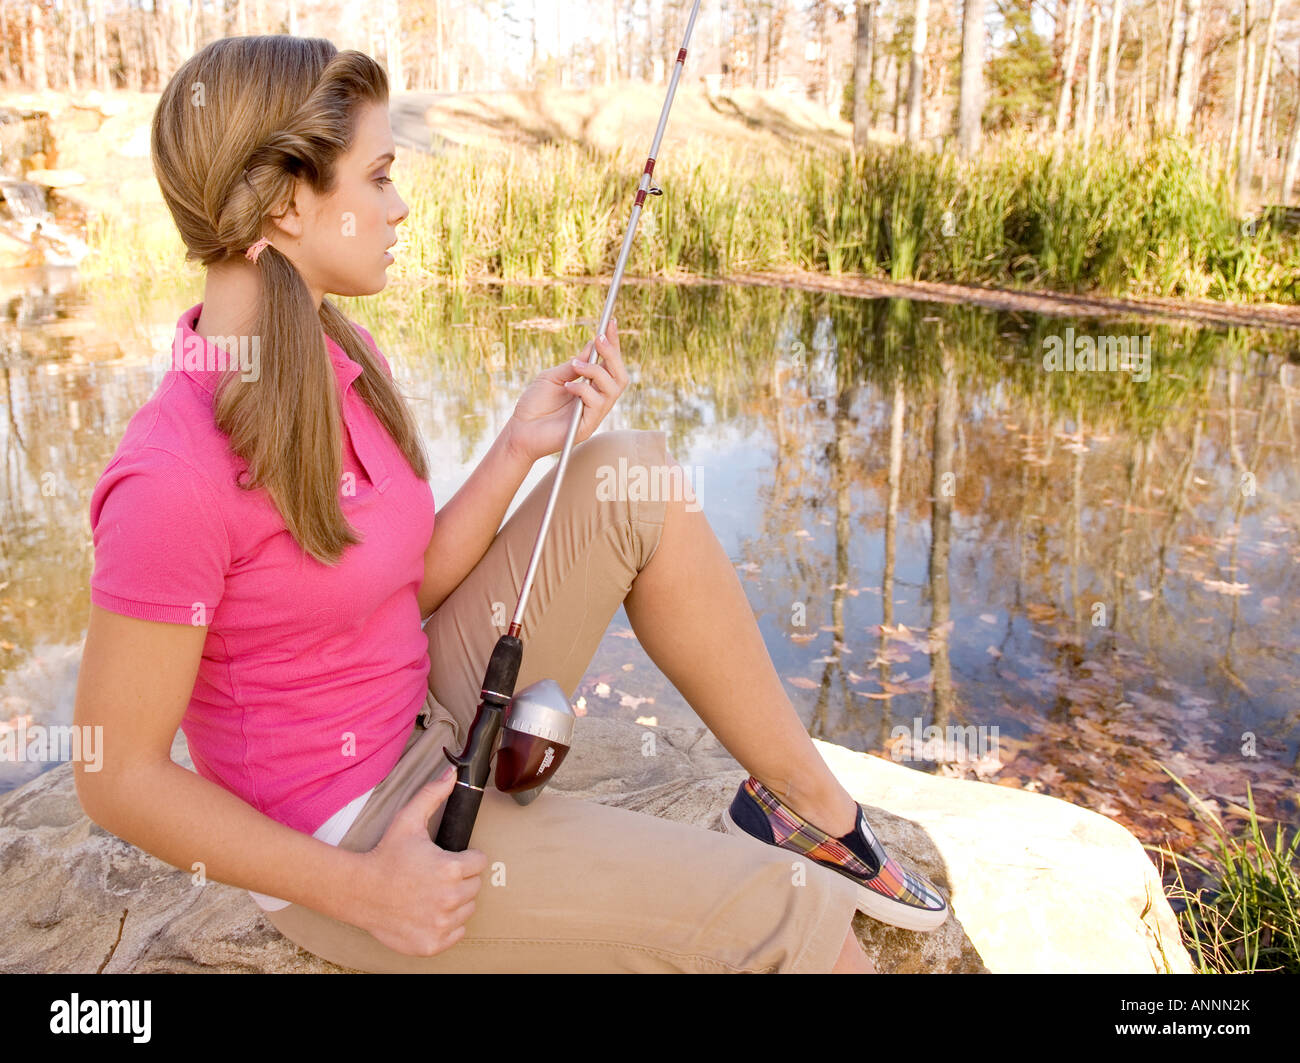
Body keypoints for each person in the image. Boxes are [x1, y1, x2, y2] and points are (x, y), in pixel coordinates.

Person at [74, 34, 947, 974]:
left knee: (630, 473)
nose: (399, 203)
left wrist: (520, 446)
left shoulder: (337, 355)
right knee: (789, 918)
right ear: (290, 201)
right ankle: (791, 893)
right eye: (379, 175)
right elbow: (115, 777)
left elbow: (397, 589)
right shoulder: (170, 477)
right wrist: (366, 892)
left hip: (421, 706)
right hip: (353, 837)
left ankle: (801, 803)